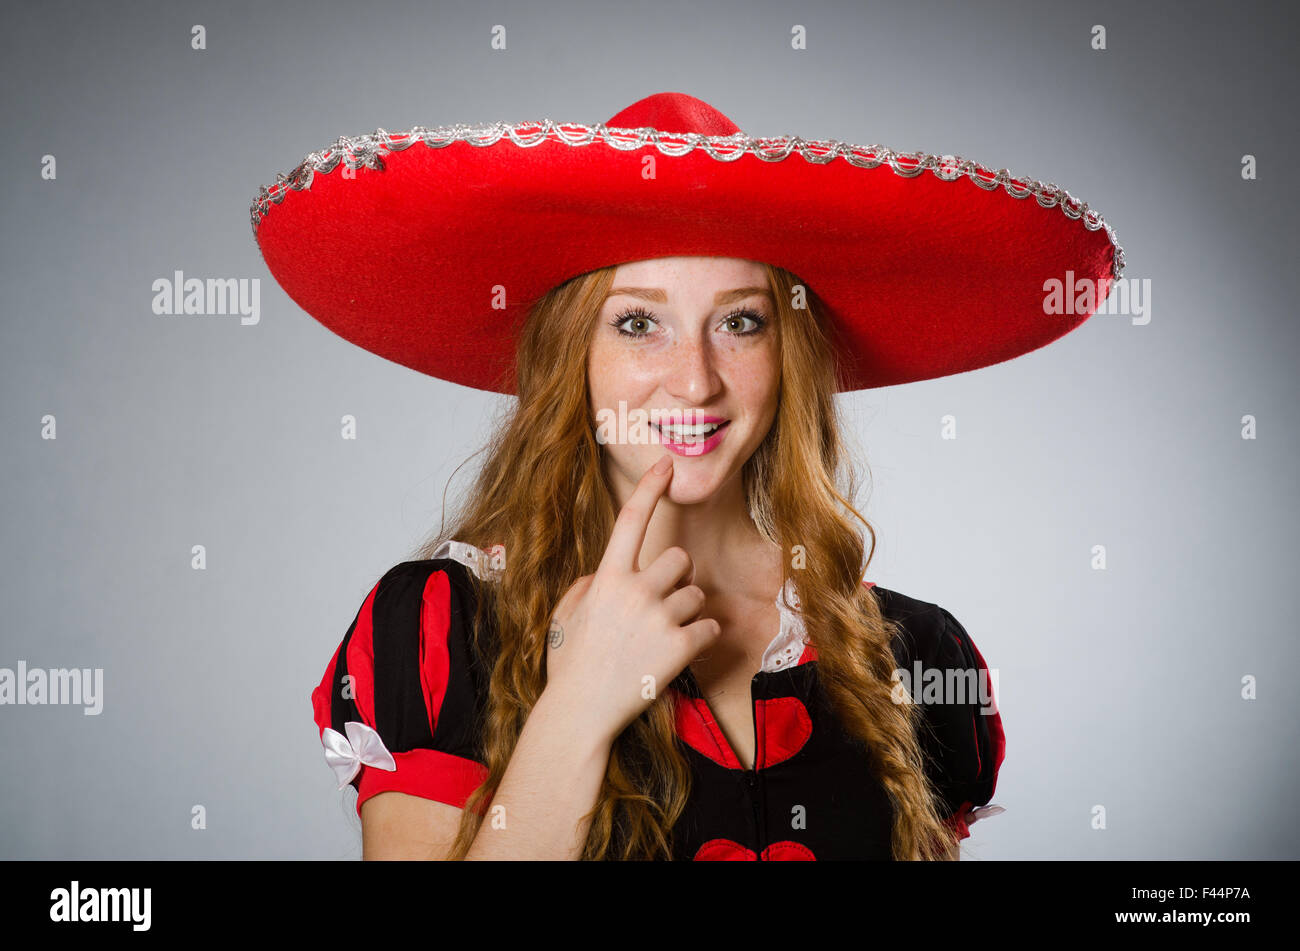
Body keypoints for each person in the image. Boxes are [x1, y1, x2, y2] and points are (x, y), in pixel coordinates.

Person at [252, 92, 1122, 860]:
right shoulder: (440, 627)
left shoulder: (917, 653)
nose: (697, 378)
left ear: (789, 354)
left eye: (740, 322)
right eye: (639, 324)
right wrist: (581, 702)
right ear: (572, 355)